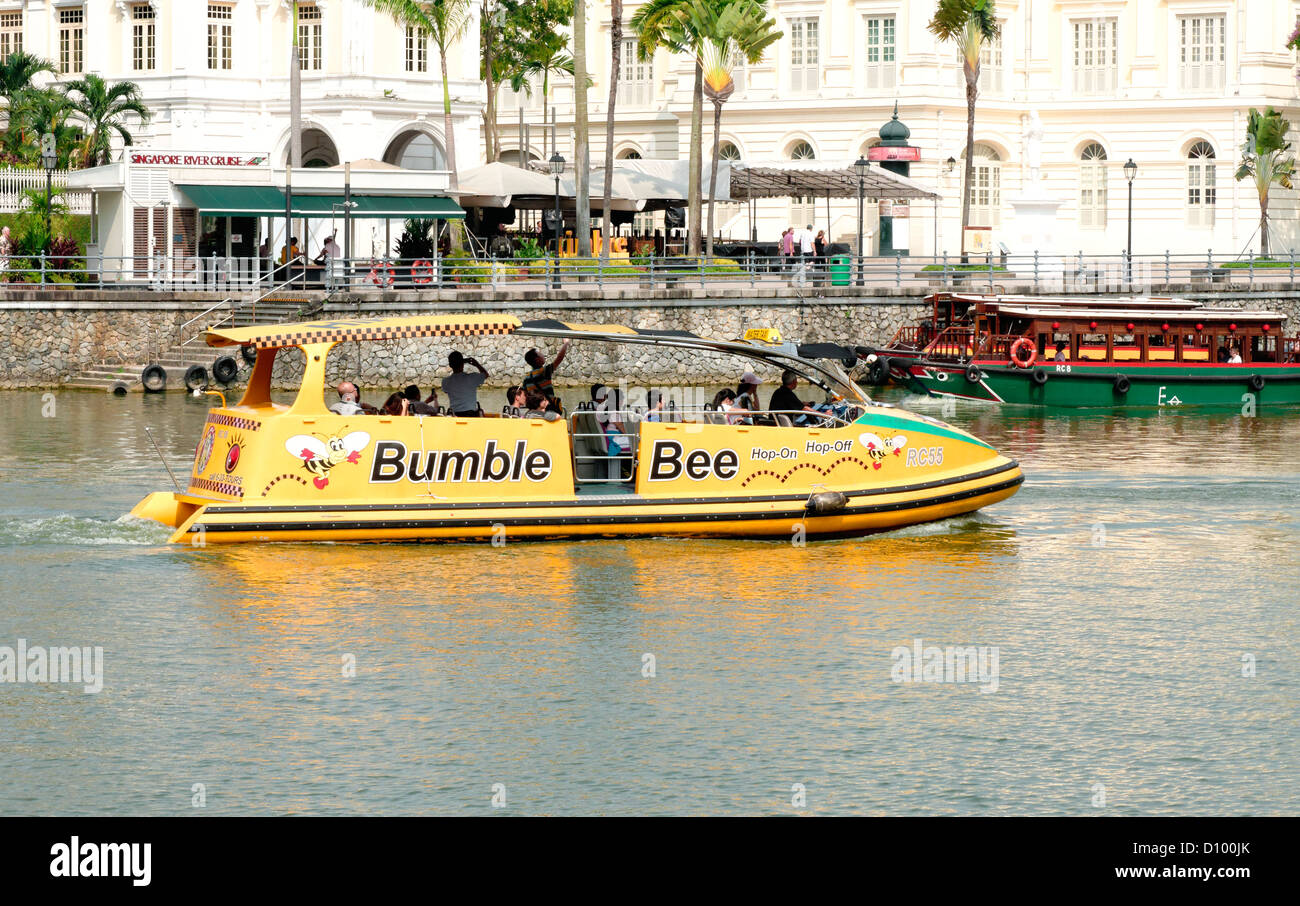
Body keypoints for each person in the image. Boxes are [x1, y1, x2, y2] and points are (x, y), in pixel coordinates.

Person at [522, 341, 571, 413]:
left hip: (534, 411)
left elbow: (525, 395)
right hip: (547, 409)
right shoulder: (543, 371)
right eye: (540, 354)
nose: (543, 355)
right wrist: (566, 343)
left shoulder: (527, 377)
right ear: (537, 359)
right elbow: (559, 358)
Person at [442, 350, 489, 416]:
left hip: (454, 415)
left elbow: (445, 390)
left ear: (450, 365)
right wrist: (476, 364)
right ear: (463, 364)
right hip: (471, 416)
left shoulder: (445, 381)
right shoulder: (472, 378)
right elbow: (485, 374)